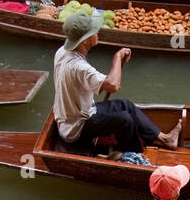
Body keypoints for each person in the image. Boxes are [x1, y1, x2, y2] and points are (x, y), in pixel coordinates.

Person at [53, 10, 182, 153]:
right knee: (124, 120)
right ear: (85, 40)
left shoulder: (62, 52)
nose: (98, 33)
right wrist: (117, 58)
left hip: (75, 117)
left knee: (125, 105)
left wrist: (106, 79)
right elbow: (113, 85)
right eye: (94, 32)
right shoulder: (79, 67)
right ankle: (134, 156)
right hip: (76, 129)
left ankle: (164, 139)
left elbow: (92, 83)